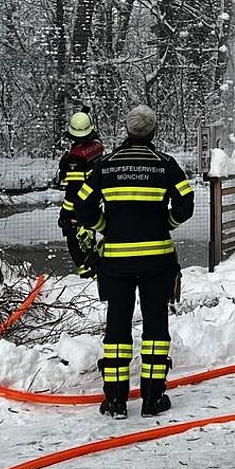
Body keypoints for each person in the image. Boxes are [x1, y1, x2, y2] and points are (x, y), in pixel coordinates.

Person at [70, 104, 195, 419]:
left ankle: (115, 400)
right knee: (155, 326)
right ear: (153, 132)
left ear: (127, 130)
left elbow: (80, 205)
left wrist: (105, 227)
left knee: (117, 327)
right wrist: (165, 222)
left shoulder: (106, 165)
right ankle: (153, 398)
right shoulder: (165, 165)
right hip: (157, 260)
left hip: (116, 261)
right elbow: (186, 204)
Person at [58, 109, 106, 273]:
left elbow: (73, 190)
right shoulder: (97, 146)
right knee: (88, 236)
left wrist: (65, 214)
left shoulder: (75, 159)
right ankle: (94, 265)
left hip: (80, 205)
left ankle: (87, 272)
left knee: (76, 241)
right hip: (95, 200)